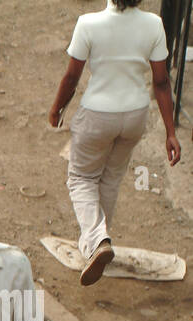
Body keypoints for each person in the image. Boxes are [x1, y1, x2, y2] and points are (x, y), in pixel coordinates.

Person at [49, 0, 181, 286]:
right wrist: (170, 132)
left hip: (98, 115)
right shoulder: (154, 25)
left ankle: (97, 240)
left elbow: (72, 76)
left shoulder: (88, 23)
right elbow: (161, 83)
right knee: (110, 179)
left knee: (81, 178)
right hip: (135, 116)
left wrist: (57, 109)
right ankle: (94, 245)